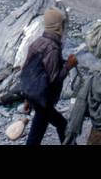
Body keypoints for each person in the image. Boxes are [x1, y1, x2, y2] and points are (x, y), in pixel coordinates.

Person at [19, 8, 77, 145]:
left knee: (60, 125)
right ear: (58, 26)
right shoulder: (52, 48)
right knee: (37, 136)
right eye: (63, 24)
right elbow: (54, 79)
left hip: (36, 97)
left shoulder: (37, 42)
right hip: (44, 99)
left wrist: (28, 100)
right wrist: (69, 65)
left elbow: (27, 72)